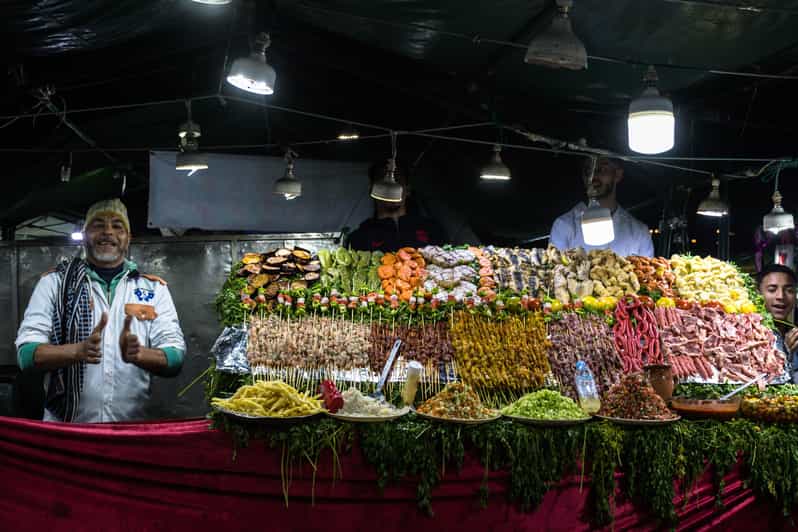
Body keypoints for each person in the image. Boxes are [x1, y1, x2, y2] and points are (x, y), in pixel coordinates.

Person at [15, 199, 186, 422]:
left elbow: (175, 357)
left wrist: (139, 355)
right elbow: (26, 355)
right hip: (67, 427)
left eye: (117, 226)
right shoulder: (54, 283)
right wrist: (76, 352)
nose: (108, 232)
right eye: (98, 225)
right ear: (85, 235)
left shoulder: (153, 288)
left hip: (130, 427)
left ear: (128, 238)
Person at [550, 156, 654, 257]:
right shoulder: (564, 226)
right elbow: (554, 269)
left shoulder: (639, 232)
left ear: (617, 174)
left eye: (602, 169)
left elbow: (648, 272)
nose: (594, 177)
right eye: (588, 170)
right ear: (583, 176)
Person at [347, 159, 447, 251]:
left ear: (407, 189)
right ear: (372, 190)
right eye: (383, 182)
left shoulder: (432, 230)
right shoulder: (359, 238)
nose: (390, 188)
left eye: (397, 180)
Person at [758, 263, 798, 383]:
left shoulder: (793, 333)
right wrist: (784, 353)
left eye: (789, 290)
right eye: (772, 290)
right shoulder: (748, 338)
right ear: (758, 294)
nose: (781, 296)